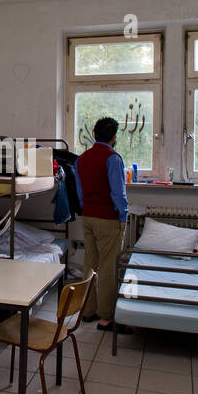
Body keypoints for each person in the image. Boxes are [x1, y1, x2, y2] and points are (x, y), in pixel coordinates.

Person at [75, 117, 133, 332]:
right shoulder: (113, 159)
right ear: (114, 136)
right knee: (108, 267)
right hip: (108, 218)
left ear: (94, 133)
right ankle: (106, 318)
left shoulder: (81, 159)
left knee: (90, 264)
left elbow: (80, 193)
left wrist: (86, 209)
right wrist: (123, 216)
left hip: (88, 216)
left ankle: (87, 311)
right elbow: (118, 193)